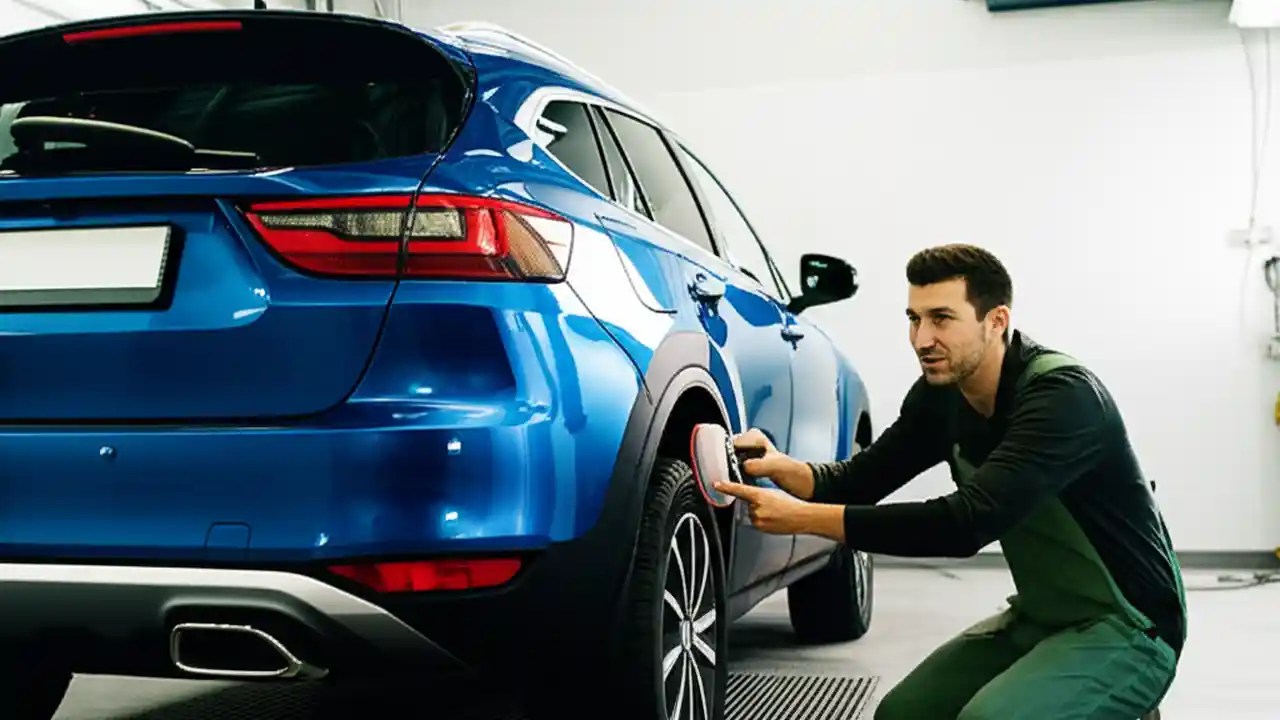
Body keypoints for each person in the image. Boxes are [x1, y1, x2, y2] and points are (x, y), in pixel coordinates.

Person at [715, 244, 1186, 719]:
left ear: (996, 321)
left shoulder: (1063, 398)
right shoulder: (941, 398)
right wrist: (784, 466)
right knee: (902, 714)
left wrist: (804, 519)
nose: (922, 339)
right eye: (914, 319)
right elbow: (861, 479)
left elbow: (965, 525)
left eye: (941, 319)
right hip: (1045, 617)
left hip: (1131, 627)